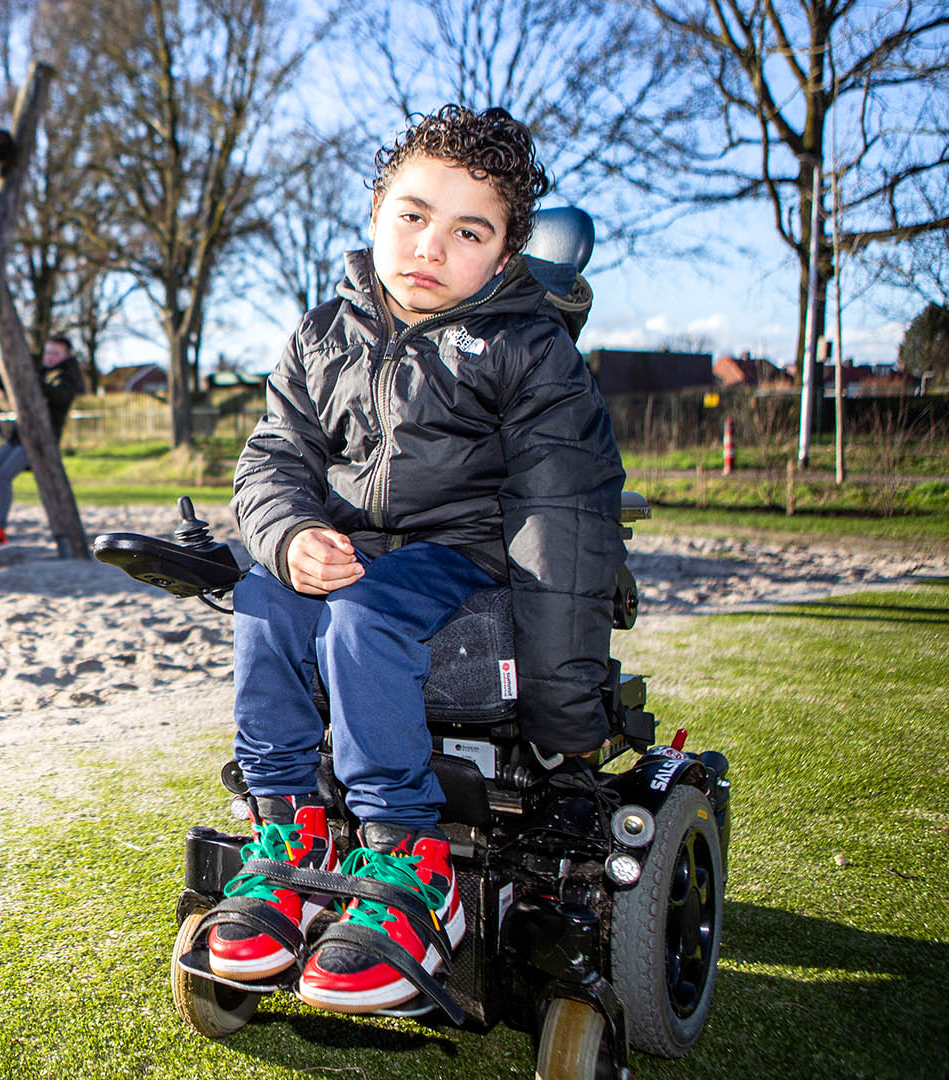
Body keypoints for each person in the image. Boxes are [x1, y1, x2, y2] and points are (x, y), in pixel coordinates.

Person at [204, 105, 624, 1014]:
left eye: (467, 230)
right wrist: (286, 537)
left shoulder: (528, 352)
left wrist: (567, 707)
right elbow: (273, 462)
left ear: (505, 255)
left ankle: (407, 854)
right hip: (353, 553)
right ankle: (287, 832)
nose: (430, 245)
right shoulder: (323, 335)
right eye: (412, 214)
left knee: (364, 617)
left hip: (463, 565)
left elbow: (565, 520)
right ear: (375, 215)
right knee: (263, 599)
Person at [0, 335, 85, 550]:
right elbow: (14, 382)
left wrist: (28, 379)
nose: (49, 357)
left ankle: (0, 531)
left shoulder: (67, 377)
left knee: (3, 476)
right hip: (20, 435)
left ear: (66, 356)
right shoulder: (42, 372)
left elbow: (57, 396)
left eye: (55, 353)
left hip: (40, 441)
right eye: (47, 352)